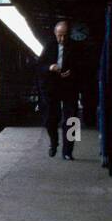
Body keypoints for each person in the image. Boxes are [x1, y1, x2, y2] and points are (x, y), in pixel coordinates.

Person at [34, 20, 84, 160]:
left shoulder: (77, 47)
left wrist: (71, 72)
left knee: (72, 120)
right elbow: (39, 66)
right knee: (50, 119)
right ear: (55, 33)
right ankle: (54, 143)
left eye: (65, 36)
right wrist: (50, 68)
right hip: (51, 87)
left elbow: (84, 66)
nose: (62, 39)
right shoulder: (49, 46)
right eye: (59, 35)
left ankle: (68, 151)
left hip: (70, 87)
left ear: (69, 35)